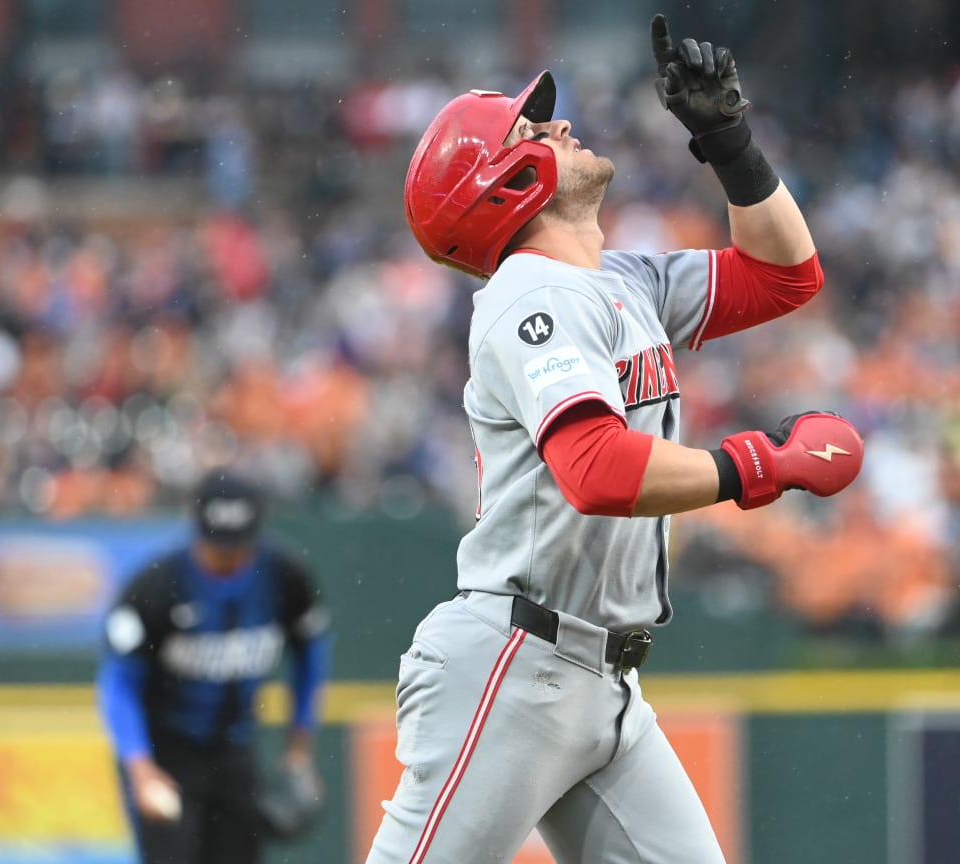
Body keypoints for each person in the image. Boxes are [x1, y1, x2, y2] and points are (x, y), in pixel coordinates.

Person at [365, 14, 865, 864]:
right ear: (505, 180)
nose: (560, 125)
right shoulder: (534, 294)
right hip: (516, 662)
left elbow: (787, 275)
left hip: (603, 678)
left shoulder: (616, 276)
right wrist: (758, 465)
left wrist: (728, 140)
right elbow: (595, 468)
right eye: (533, 128)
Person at [97, 468, 331, 864]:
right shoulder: (155, 587)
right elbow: (119, 684)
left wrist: (299, 750)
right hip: (164, 751)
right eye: (217, 545)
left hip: (235, 747)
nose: (226, 557)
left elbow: (311, 653)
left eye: (237, 546)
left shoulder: (284, 577)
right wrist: (140, 768)